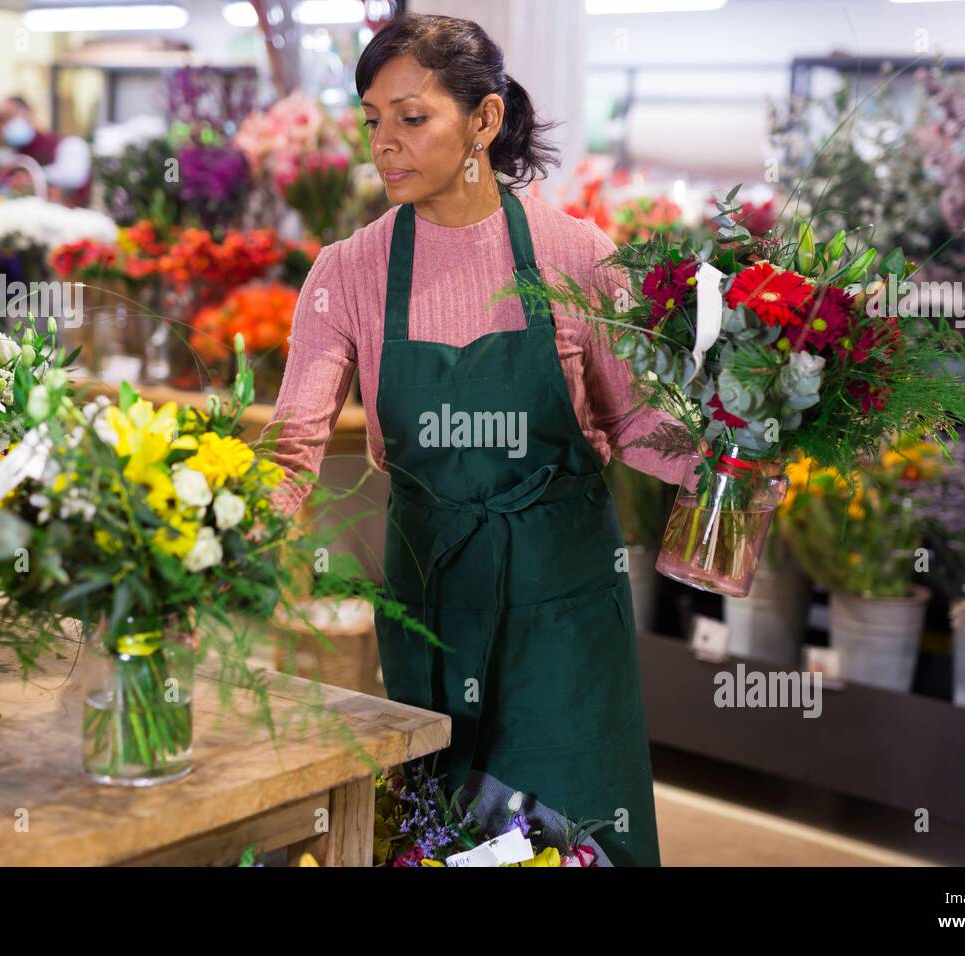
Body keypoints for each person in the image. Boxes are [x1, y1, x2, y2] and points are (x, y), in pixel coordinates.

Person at [260, 13, 693, 867]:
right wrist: (206, 534)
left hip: (564, 598)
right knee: (439, 827)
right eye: (372, 119)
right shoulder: (347, 270)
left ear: (485, 121)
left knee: (570, 832)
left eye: (412, 117)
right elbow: (292, 447)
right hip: (433, 594)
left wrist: (743, 450)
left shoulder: (578, 256)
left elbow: (642, 426)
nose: (385, 143)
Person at [0, 96, 92, 206]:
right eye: (0, 121)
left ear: (29, 113)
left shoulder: (69, 145)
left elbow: (73, 177)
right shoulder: (12, 157)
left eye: (9, 116)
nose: (6, 124)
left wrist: (32, 178)